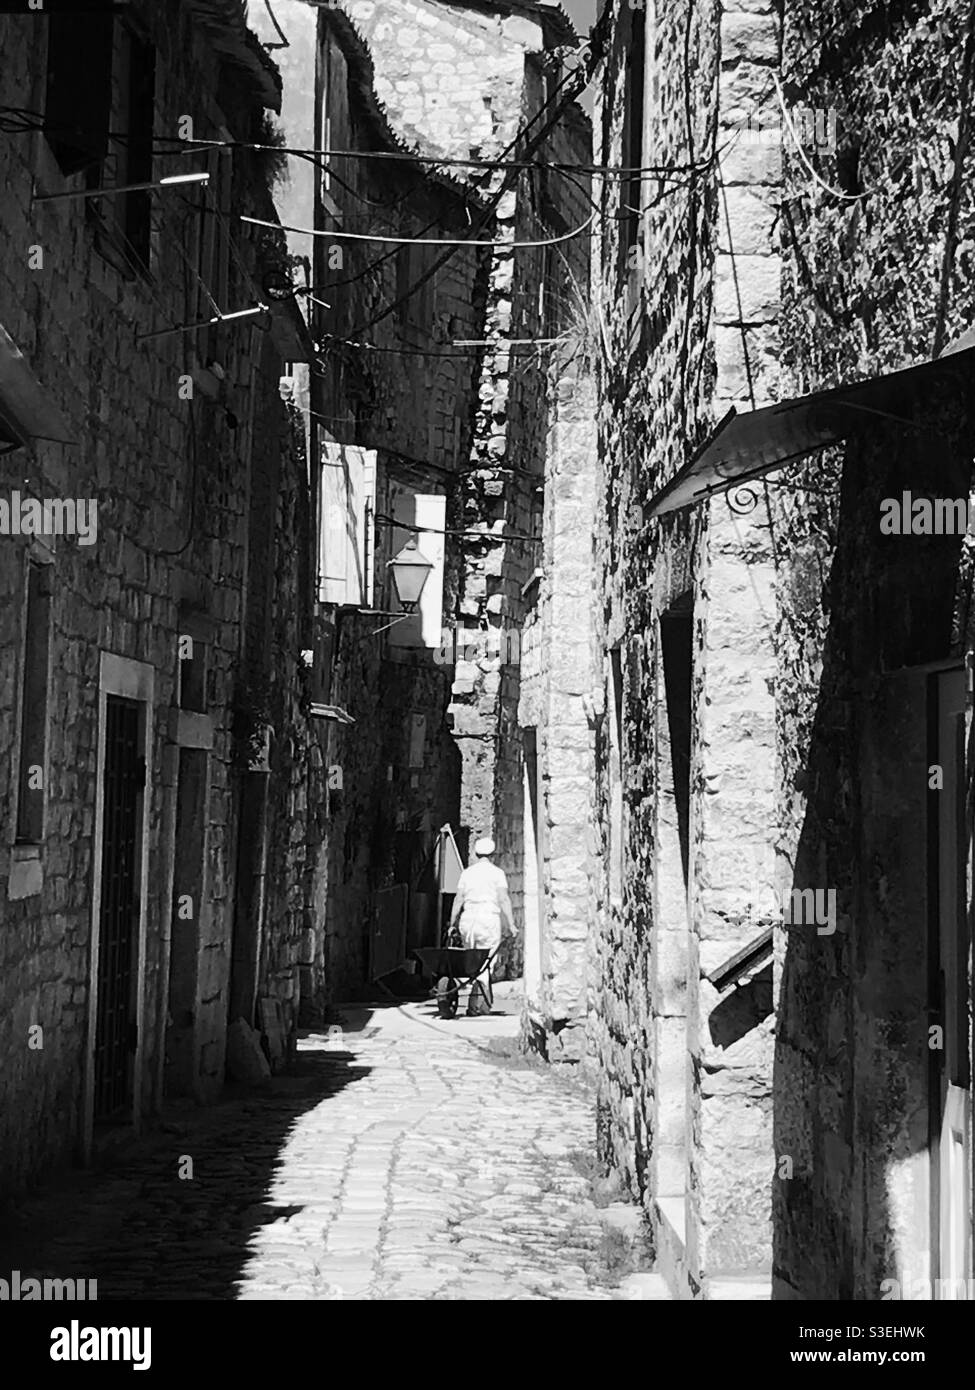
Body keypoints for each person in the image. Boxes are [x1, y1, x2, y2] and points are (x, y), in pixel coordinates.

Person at [449, 837, 515, 1015]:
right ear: (492, 855)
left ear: (476, 854)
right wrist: (511, 923)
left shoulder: (467, 873)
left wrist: (452, 922)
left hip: (468, 919)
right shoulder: (497, 873)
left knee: (472, 960)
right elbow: (502, 899)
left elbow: (459, 899)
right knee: (486, 962)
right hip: (488, 919)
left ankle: (476, 999)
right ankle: (477, 1005)